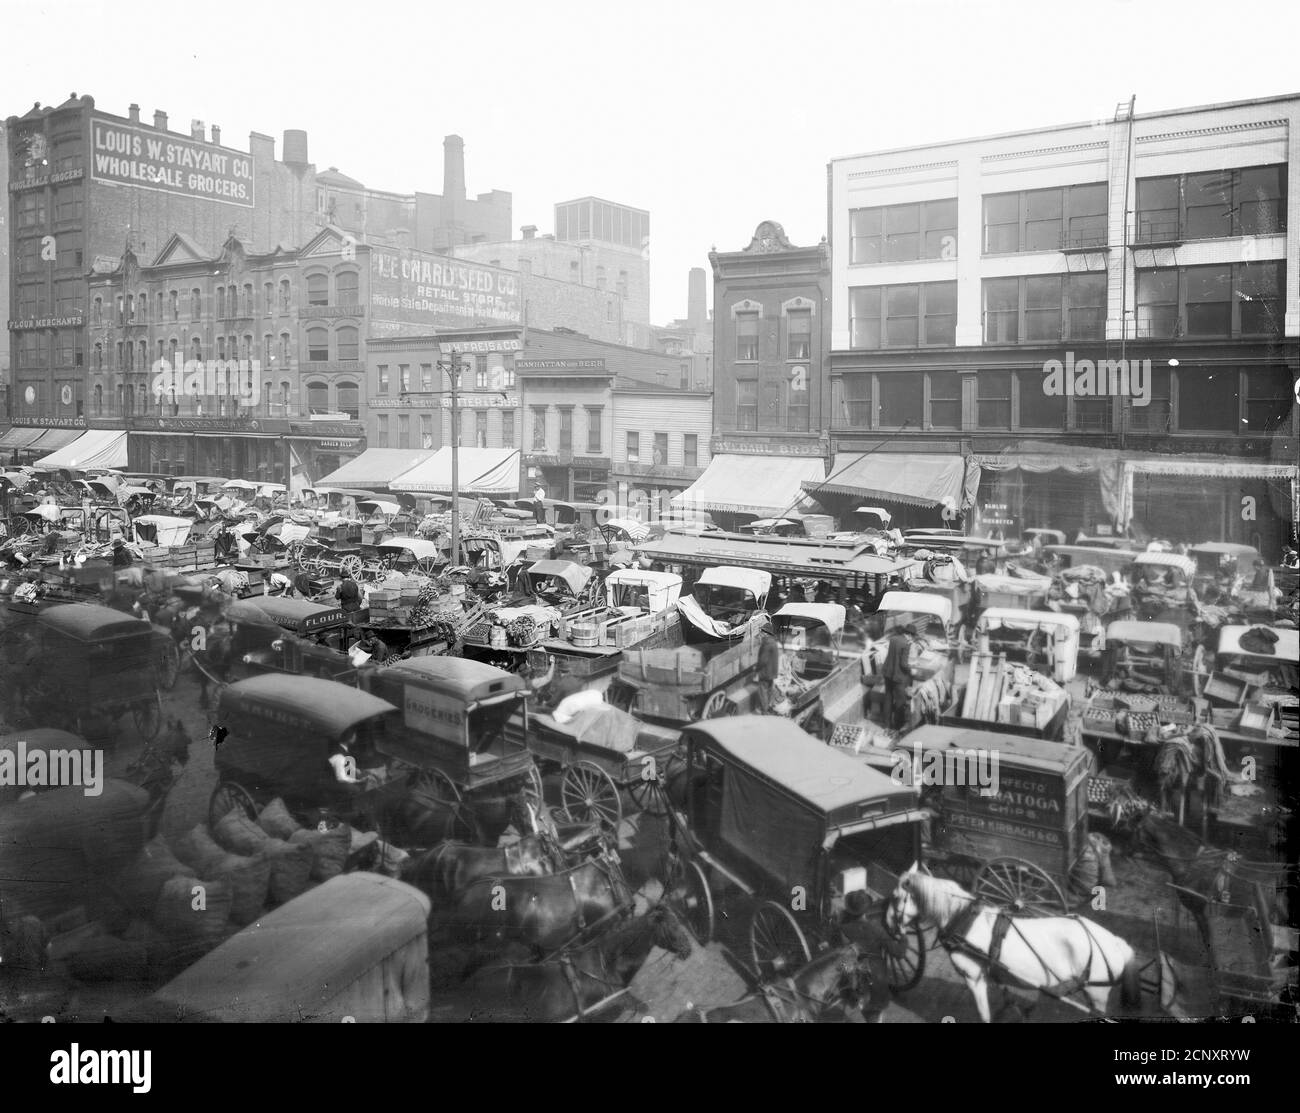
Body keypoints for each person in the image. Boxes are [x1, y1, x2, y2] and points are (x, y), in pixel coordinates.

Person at [881, 623, 915, 732]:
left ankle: (886, 724)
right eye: (913, 636)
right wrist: (911, 670)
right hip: (898, 677)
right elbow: (904, 664)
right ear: (910, 635)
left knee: (888, 698)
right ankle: (897, 726)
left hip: (887, 673)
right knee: (900, 701)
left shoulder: (893, 639)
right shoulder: (906, 644)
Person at [755, 627, 782, 713]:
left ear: (766, 633)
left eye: (762, 632)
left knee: (762, 692)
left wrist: (756, 669)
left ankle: (764, 711)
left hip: (765, 672)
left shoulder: (766, 643)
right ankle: (769, 707)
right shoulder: (773, 642)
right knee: (769, 690)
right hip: (772, 672)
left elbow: (763, 660)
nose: (761, 634)